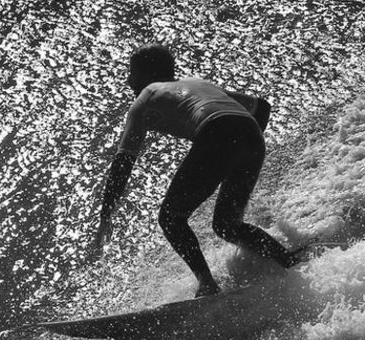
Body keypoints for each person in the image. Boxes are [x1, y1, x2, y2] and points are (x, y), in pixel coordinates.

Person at [94, 43, 302, 297]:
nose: (129, 81)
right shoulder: (198, 83)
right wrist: (235, 153)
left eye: (132, 73)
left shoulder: (145, 97)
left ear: (147, 74)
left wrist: (106, 216)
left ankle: (207, 285)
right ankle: (290, 262)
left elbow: (123, 163)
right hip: (252, 135)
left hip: (216, 133)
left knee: (170, 218)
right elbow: (262, 106)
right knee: (227, 225)